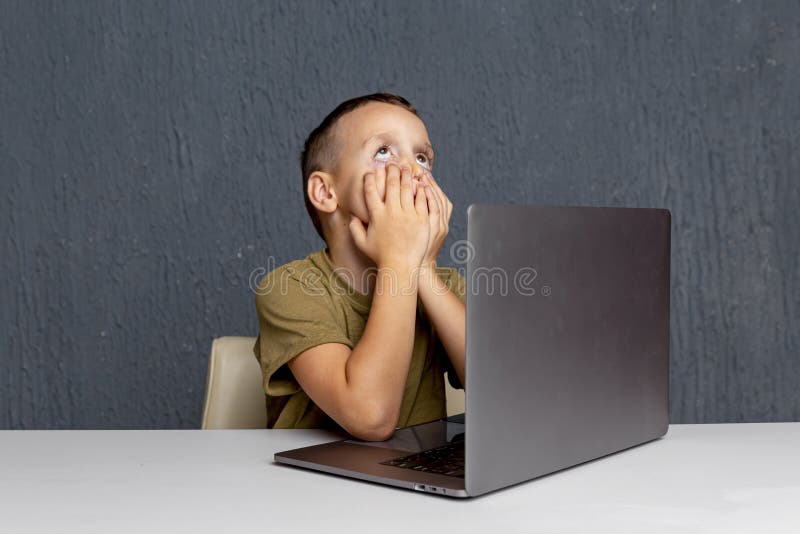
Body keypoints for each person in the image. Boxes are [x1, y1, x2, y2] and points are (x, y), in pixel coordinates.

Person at [252, 92, 465, 441]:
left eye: (423, 158)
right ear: (325, 192)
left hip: (415, 487)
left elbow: (507, 392)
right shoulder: (290, 287)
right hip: (314, 491)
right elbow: (370, 417)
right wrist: (399, 260)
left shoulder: (442, 284)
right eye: (383, 151)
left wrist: (422, 267)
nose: (413, 170)